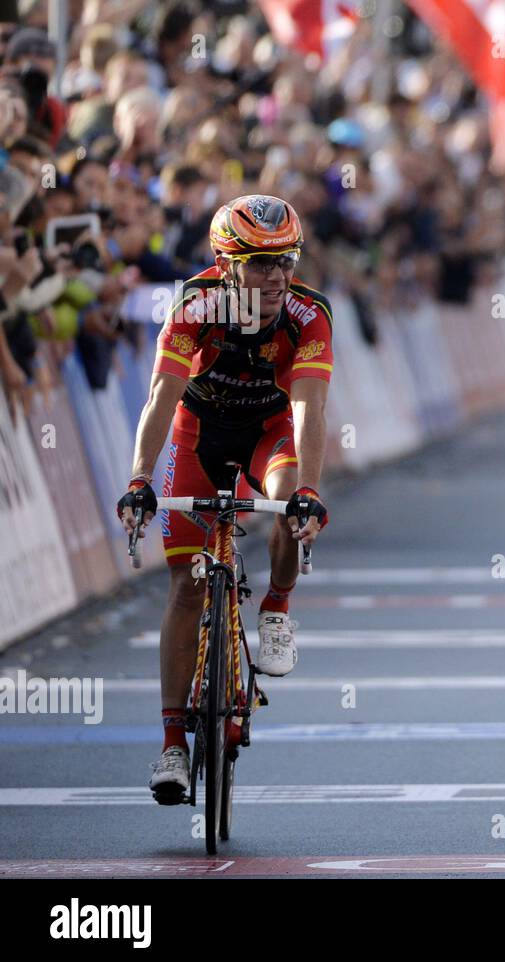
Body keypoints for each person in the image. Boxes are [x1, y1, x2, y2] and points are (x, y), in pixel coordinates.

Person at [115, 194, 333, 805]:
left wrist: (309, 494)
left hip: (271, 431)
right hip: (200, 433)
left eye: (285, 261)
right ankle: (172, 746)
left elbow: (309, 408)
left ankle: (277, 607)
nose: (277, 276)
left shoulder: (308, 313)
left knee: (290, 504)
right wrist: (139, 477)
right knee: (186, 585)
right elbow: (162, 398)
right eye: (261, 263)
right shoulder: (194, 304)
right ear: (226, 263)